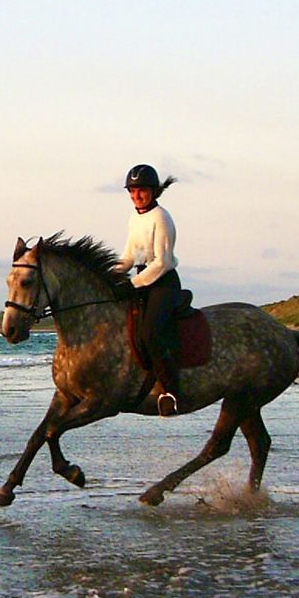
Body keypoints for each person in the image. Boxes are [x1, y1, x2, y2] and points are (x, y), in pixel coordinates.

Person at [112, 164, 182, 416]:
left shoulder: (161, 217)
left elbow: (162, 262)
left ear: (153, 191)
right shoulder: (135, 218)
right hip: (142, 279)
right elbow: (129, 256)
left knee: (151, 332)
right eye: (132, 191)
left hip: (163, 282)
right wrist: (110, 275)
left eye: (140, 191)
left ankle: (171, 393)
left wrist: (131, 284)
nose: (136, 196)